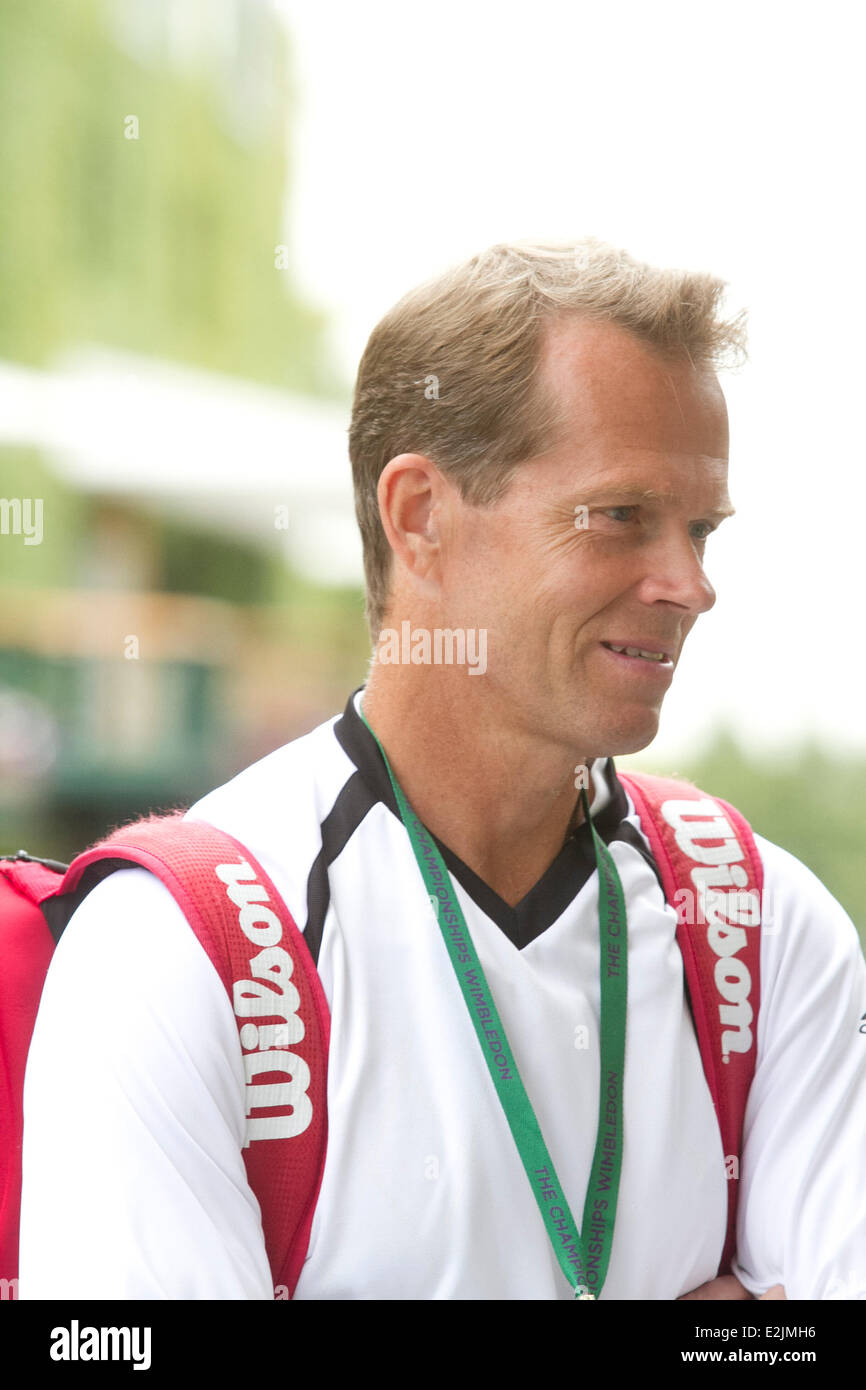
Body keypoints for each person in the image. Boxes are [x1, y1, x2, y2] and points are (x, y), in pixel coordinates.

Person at [19, 240, 866, 1300]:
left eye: (699, 530)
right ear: (419, 516)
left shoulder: (763, 927)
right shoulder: (173, 946)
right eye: (619, 517)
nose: (690, 583)